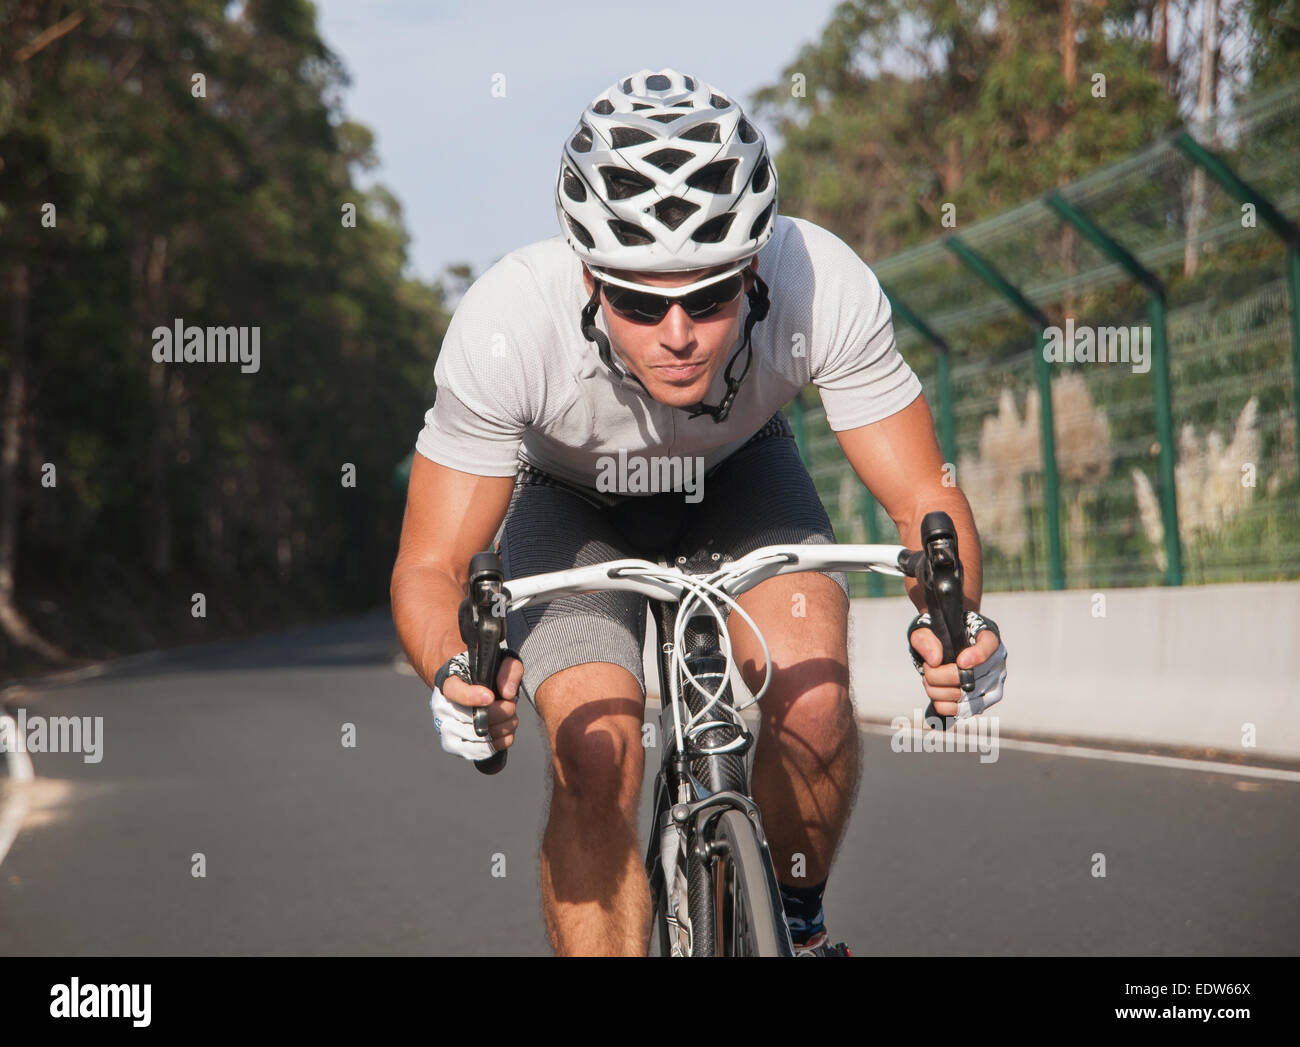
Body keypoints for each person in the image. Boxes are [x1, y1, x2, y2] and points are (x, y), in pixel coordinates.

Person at [390, 68, 1008, 957]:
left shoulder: (818, 280)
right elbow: (432, 567)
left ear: (754, 268)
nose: (677, 332)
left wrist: (957, 623)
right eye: (641, 301)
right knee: (599, 753)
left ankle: (794, 923)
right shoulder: (509, 325)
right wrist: (455, 671)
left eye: (711, 295)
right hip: (573, 501)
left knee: (817, 700)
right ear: (590, 276)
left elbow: (924, 498)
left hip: (742, 476)